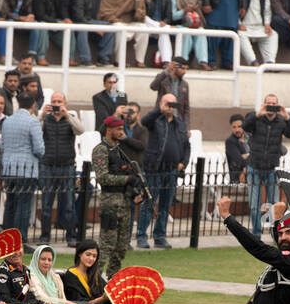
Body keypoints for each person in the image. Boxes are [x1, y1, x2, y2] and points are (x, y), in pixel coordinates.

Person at [92, 114, 145, 276]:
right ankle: (93, 280)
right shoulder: (101, 150)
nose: (122, 132)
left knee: (121, 247)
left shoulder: (120, 150)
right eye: (119, 129)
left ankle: (112, 279)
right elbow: (103, 177)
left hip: (125, 202)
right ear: (109, 130)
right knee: (107, 245)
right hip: (111, 203)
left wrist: (136, 190)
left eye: (123, 128)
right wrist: (127, 179)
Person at [135, 94, 188, 250]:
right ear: (161, 103)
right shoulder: (155, 120)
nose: (170, 106)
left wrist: (183, 162)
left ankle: (159, 236)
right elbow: (144, 122)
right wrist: (159, 110)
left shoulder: (180, 124)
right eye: (167, 103)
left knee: (165, 205)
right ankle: (141, 236)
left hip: (171, 170)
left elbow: (186, 144)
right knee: (149, 202)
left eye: (173, 103)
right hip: (154, 169)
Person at [241, 96, 290, 238]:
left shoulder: (281, 121)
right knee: (254, 204)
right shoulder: (257, 119)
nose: (271, 106)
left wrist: (288, 117)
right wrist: (258, 113)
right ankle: (256, 234)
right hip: (255, 166)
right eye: (268, 103)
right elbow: (245, 127)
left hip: (272, 168)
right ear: (264, 104)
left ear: (278, 105)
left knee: (274, 204)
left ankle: (275, 232)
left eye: (273, 104)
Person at [39, 92, 84, 246]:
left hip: (67, 166)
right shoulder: (46, 118)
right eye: (54, 101)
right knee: (46, 204)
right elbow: (36, 132)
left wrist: (68, 116)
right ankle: (45, 237)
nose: (56, 104)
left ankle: (71, 236)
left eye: (59, 101)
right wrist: (41, 115)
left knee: (69, 204)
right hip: (48, 166)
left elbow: (81, 130)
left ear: (65, 103)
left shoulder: (70, 118)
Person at [0, 98, 44, 237]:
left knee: (10, 204)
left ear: (18, 104)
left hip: (8, 168)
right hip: (26, 170)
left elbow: (2, 145)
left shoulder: (7, 121)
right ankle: (20, 240)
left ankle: (6, 237)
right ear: (33, 105)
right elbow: (39, 149)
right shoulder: (33, 122)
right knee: (23, 206)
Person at [62, 238, 118, 304]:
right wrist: (102, 299)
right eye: (88, 255)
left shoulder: (93, 274)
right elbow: (79, 303)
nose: (91, 259)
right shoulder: (71, 275)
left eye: (94, 256)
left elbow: (107, 289)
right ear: (79, 254)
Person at [225, 114, 250, 183]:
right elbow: (239, 161)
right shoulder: (230, 142)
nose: (237, 130)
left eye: (239, 126)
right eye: (234, 127)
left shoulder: (251, 137)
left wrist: (247, 155)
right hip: (239, 174)